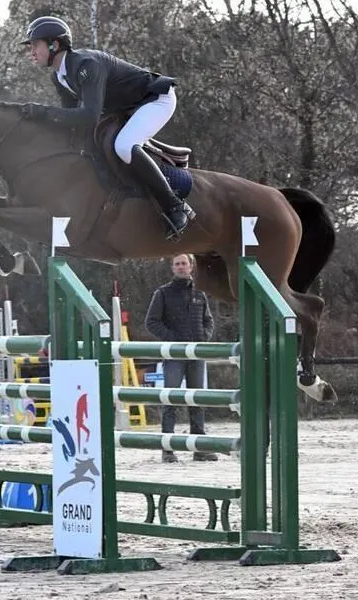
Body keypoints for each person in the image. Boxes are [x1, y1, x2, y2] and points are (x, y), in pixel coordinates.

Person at [19, 15, 195, 240]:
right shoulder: (60, 76)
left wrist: (43, 112)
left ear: (54, 44)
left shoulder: (86, 65)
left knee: (124, 145)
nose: (32, 52)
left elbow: (88, 117)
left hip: (156, 100)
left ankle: (175, 207)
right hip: (129, 106)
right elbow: (71, 120)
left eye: (35, 46)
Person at [144, 253, 217, 462]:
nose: (181, 267)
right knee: (171, 400)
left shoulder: (200, 293)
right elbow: (152, 322)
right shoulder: (163, 293)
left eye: (184, 263)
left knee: (198, 400)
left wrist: (204, 338)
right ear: (172, 268)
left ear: (191, 266)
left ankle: (200, 448)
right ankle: (168, 449)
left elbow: (208, 320)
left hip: (197, 352)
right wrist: (173, 339)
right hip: (174, 354)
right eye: (177, 264)